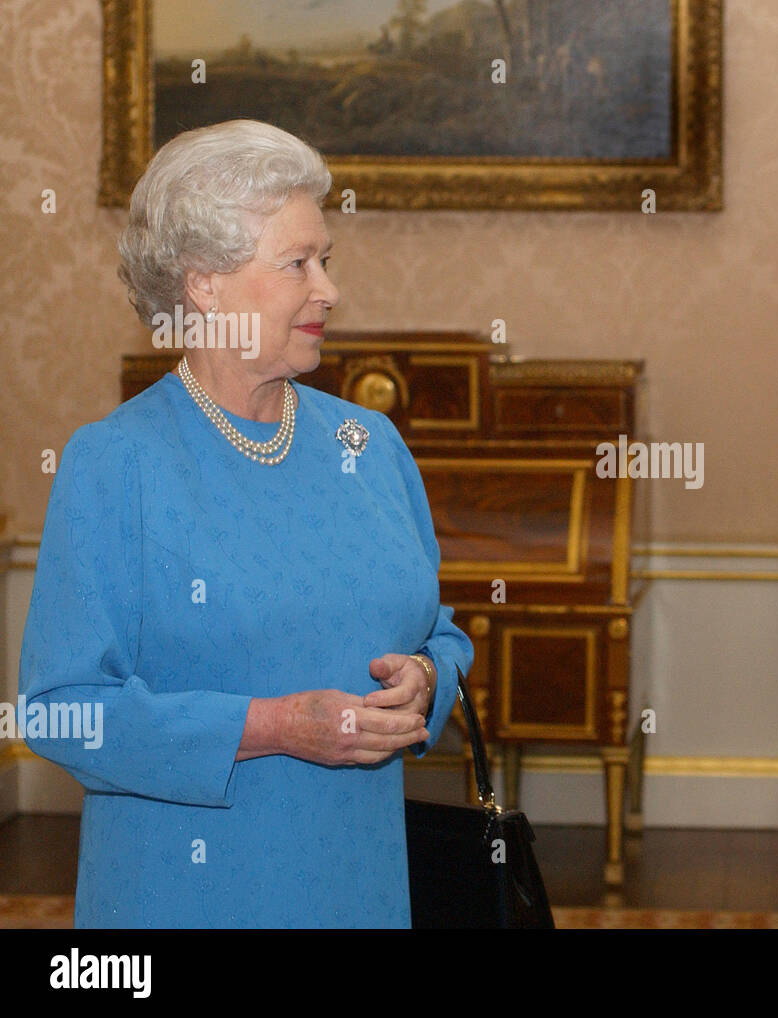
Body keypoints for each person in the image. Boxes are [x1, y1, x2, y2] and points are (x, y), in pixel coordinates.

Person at [18, 119, 473, 928]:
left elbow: (437, 630)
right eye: (297, 263)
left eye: (325, 260)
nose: (328, 289)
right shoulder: (117, 464)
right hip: (188, 895)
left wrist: (428, 678)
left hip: (359, 884)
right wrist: (273, 727)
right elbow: (60, 711)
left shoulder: (367, 446)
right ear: (204, 284)